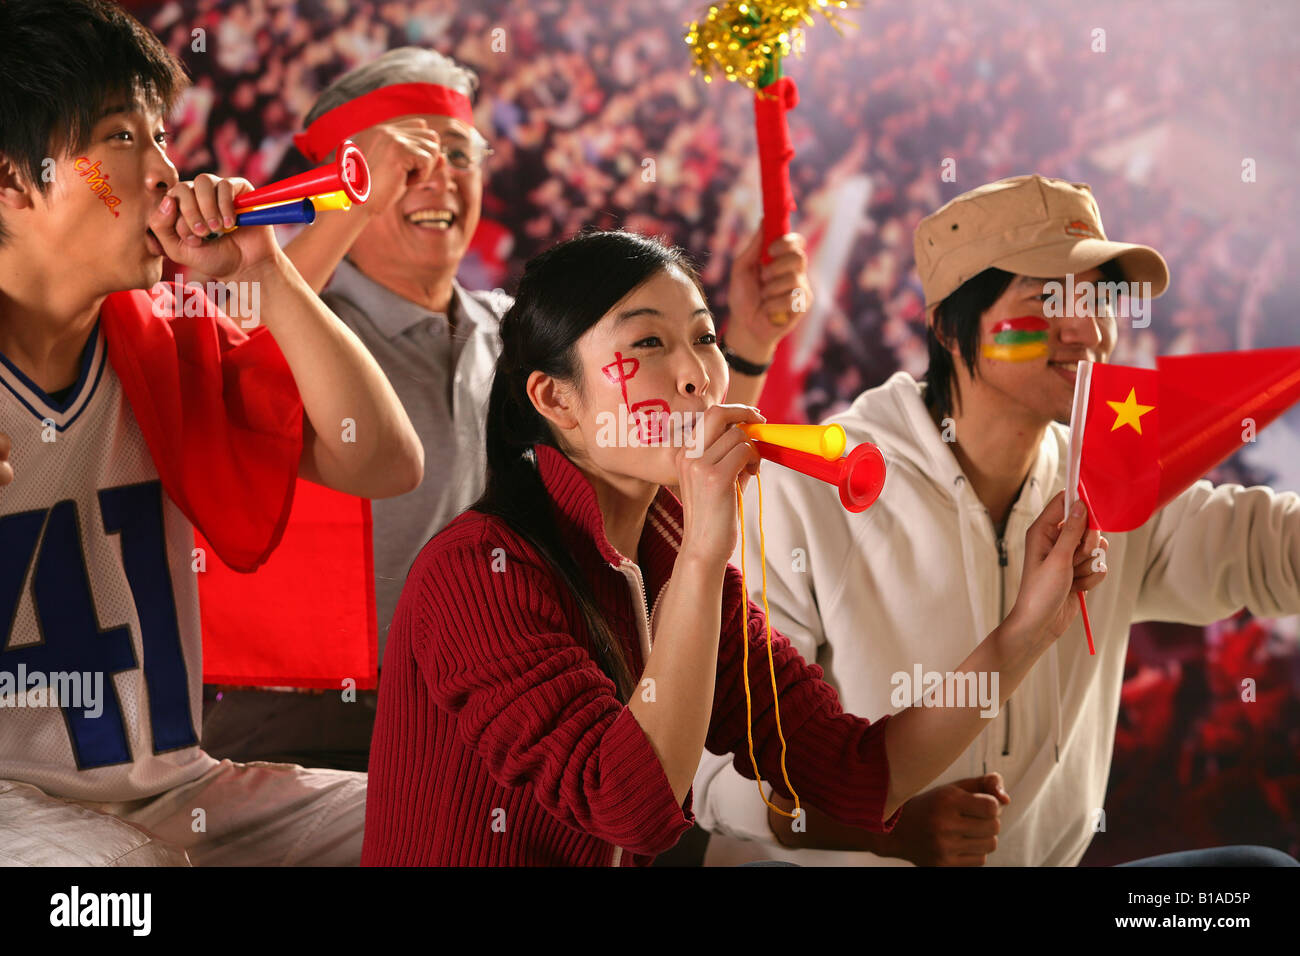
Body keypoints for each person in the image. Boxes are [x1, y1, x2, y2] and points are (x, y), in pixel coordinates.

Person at [361, 229, 1107, 866]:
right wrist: (702, 548)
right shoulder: (479, 571)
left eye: (705, 338)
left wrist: (1027, 631)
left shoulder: (676, 566)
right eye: (648, 341)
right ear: (556, 400)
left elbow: (857, 773)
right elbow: (632, 806)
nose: (696, 375)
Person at [201, 46, 813, 774]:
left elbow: (674, 440)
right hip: (303, 719)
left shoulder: (509, 332)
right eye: (403, 159)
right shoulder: (284, 312)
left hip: (484, 699)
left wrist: (746, 338)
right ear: (346, 175)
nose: (438, 179)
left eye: (460, 154)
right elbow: (233, 347)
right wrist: (340, 209)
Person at [693, 174, 1300, 867]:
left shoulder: (1112, 471)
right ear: (952, 325)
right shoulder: (807, 487)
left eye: (1100, 297)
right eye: (1047, 299)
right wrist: (881, 826)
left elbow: (1271, 552)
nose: (1090, 329)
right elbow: (717, 782)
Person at [0, 0, 423, 865]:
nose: (166, 173)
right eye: (124, 138)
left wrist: (265, 272)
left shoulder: (163, 339)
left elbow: (385, 460)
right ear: (13, 180)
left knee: (441, 816)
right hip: (19, 810)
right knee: (124, 873)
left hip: (178, 788)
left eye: (162, 138)